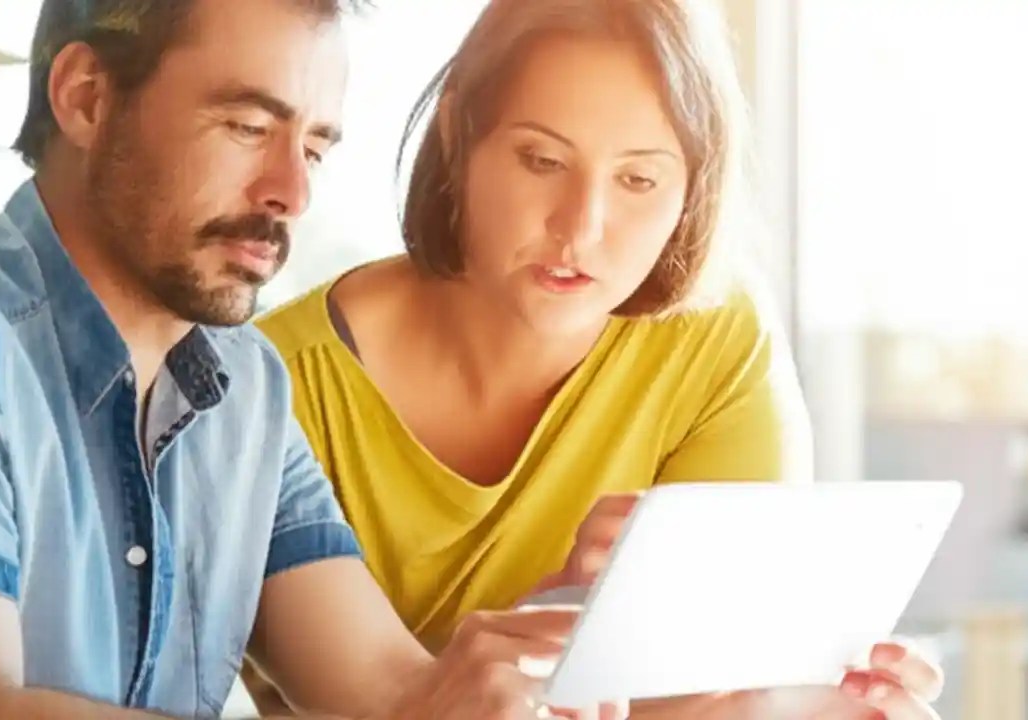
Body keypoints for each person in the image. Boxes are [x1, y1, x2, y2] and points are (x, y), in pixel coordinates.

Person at [0, 1, 588, 718]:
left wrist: (524, 669)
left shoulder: (246, 385)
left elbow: (385, 691)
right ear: (86, 98)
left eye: (313, 148)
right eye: (247, 126)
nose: (290, 193)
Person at [254, 0, 944, 718]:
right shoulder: (271, 384)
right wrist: (577, 617)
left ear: (691, 186)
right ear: (459, 135)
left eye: (638, 180)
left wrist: (817, 698)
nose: (580, 226)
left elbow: (729, 688)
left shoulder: (712, 338)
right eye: (542, 160)